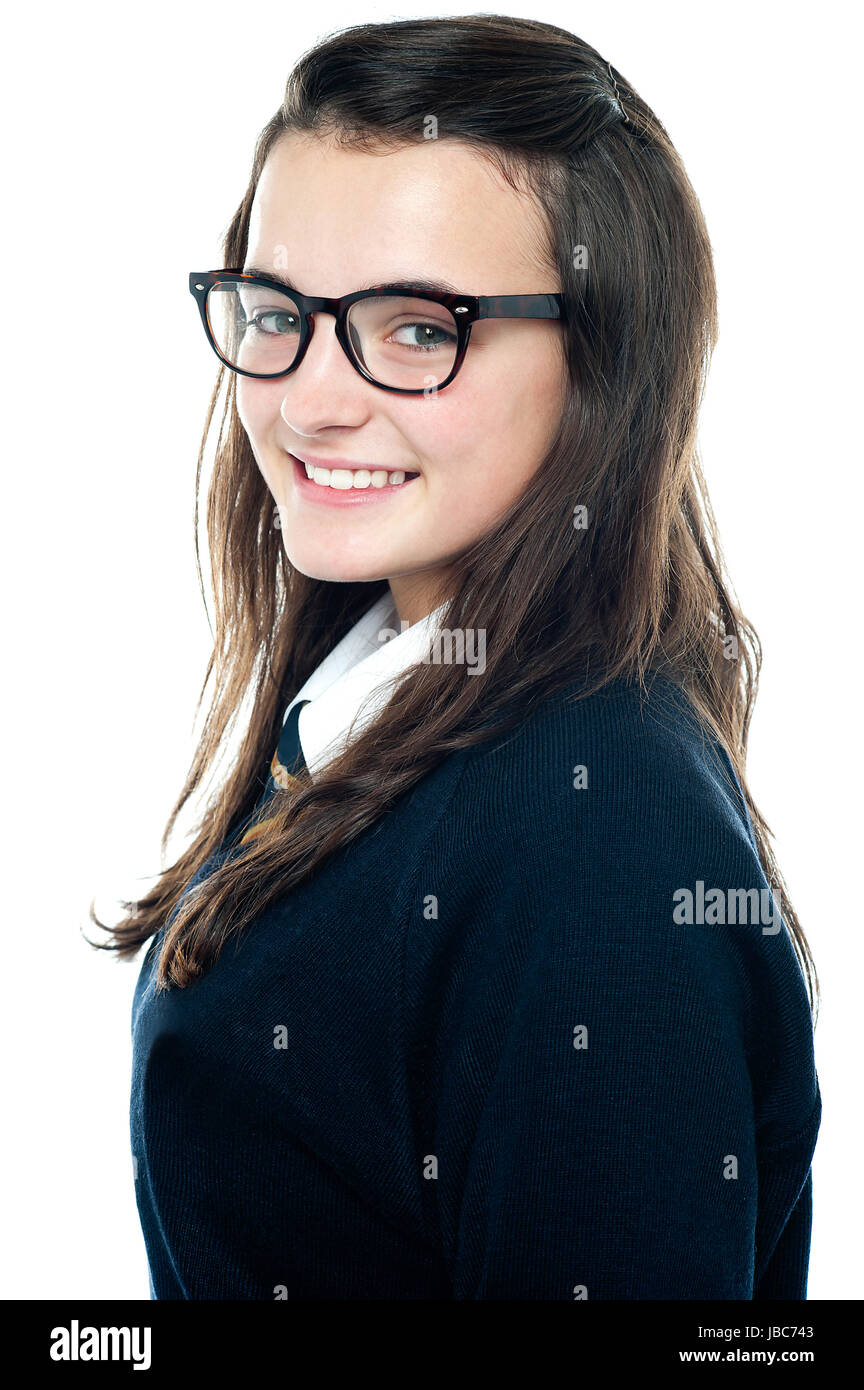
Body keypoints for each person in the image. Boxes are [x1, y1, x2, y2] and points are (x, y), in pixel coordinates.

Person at [92, 13, 821, 1300]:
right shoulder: (378, 685)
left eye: (419, 328)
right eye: (280, 312)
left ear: (603, 357)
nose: (311, 396)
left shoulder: (597, 830)